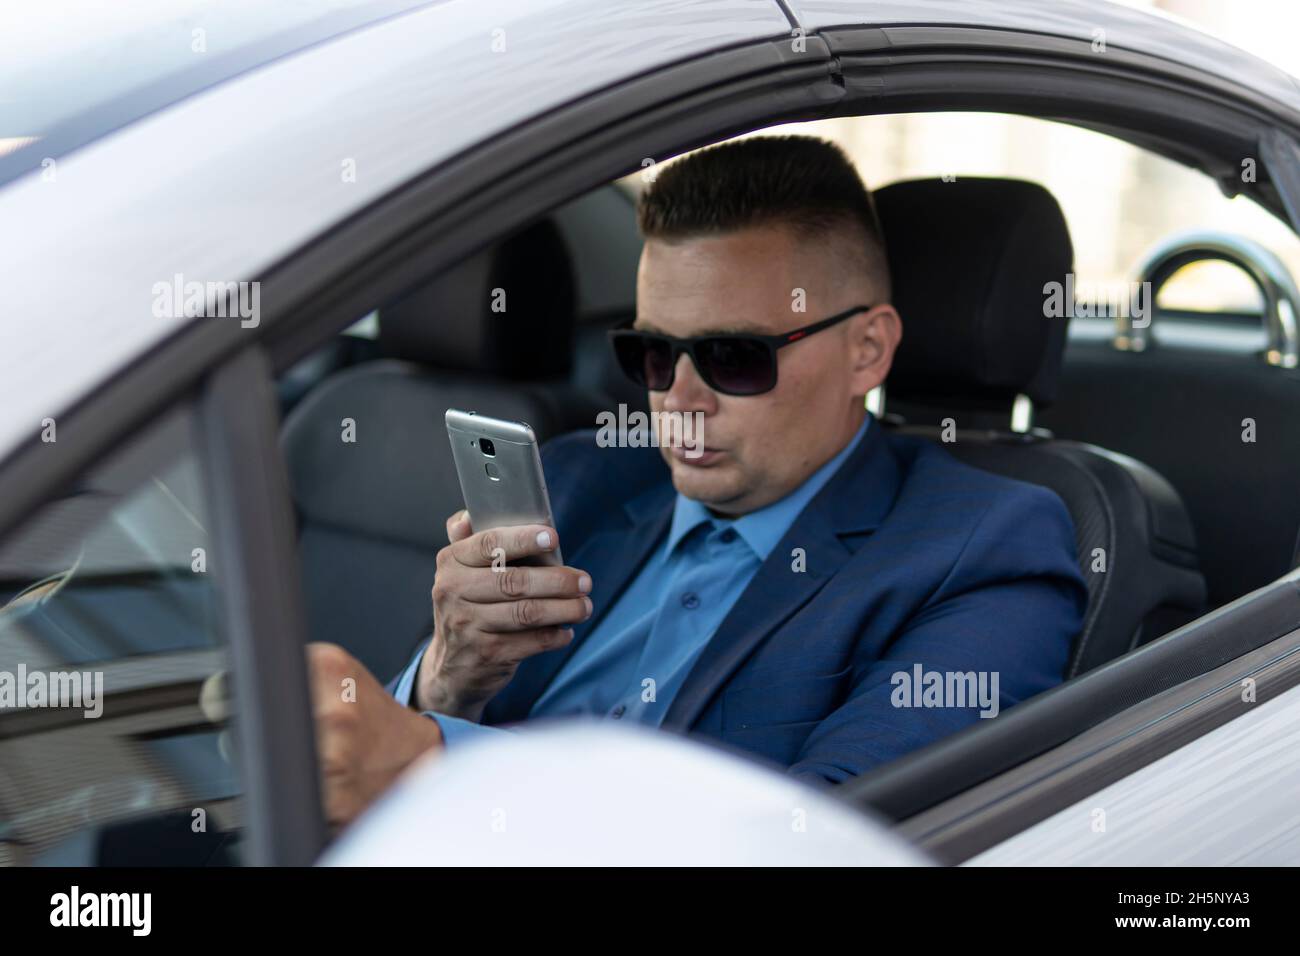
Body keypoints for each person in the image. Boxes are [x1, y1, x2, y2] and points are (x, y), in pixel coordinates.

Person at [307, 135, 1087, 829]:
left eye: (733, 357)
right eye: (652, 355)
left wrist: (435, 764)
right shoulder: (582, 479)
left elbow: (821, 841)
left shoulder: (984, 548)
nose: (677, 402)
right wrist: (445, 686)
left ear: (867, 350)